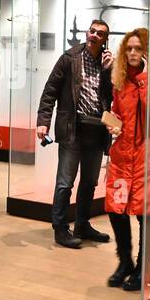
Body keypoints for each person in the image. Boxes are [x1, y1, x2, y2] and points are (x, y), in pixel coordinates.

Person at [103, 30, 150, 291]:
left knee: (147, 213)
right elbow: (117, 110)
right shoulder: (121, 80)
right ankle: (124, 261)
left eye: (138, 49)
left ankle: (142, 268)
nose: (133, 53)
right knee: (116, 207)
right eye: (129, 49)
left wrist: (146, 79)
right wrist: (114, 125)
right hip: (124, 154)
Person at [37, 18, 114, 249]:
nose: (94, 35)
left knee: (90, 182)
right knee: (65, 182)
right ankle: (60, 228)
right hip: (73, 128)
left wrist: (111, 72)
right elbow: (50, 91)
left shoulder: (107, 63)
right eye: (92, 31)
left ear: (105, 39)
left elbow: (112, 98)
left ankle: (82, 224)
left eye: (100, 33)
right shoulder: (69, 58)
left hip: (98, 131)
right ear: (86, 32)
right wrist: (43, 121)